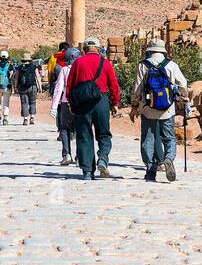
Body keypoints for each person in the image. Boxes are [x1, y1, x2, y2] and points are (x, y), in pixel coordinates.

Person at [129, 39, 190, 182]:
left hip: (148, 108)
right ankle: (168, 159)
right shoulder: (171, 65)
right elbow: (183, 84)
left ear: (149, 50)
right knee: (168, 137)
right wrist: (183, 97)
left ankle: (151, 169)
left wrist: (134, 106)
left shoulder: (143, 65)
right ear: (163, 50)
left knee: (148, 138)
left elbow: (137, 88)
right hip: (167, 108)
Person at [65, 37, 120, 179]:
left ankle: (88, 171)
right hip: (100, 100)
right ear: (99, 48)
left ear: (84, 49)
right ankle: (103, 158)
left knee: (84, 135)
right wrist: (115, 102)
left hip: (82, 102)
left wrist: (71, 103)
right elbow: (113, 84)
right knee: (104, 134)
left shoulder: (77, 63)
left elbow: (70, 85)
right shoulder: (105, 63)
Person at [48, 46, 81, 165]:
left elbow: (58, 88)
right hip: (80, 103)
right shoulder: (82, 69)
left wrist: (54, 106)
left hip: (66, 101)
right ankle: (79, 155)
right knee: (79, 130)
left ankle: (67, 154)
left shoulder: (65, 69)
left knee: (64, 128)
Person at [13, 52, 41, 125]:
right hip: (32, 87)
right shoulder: (34, 67)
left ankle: (25, 119)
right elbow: (37, 77)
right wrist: (40, 86)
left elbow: (16, 78)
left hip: (22, 88)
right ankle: (32, 117)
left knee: (24, 103)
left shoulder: (19, 68)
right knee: (33, 102)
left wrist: (15, 87)